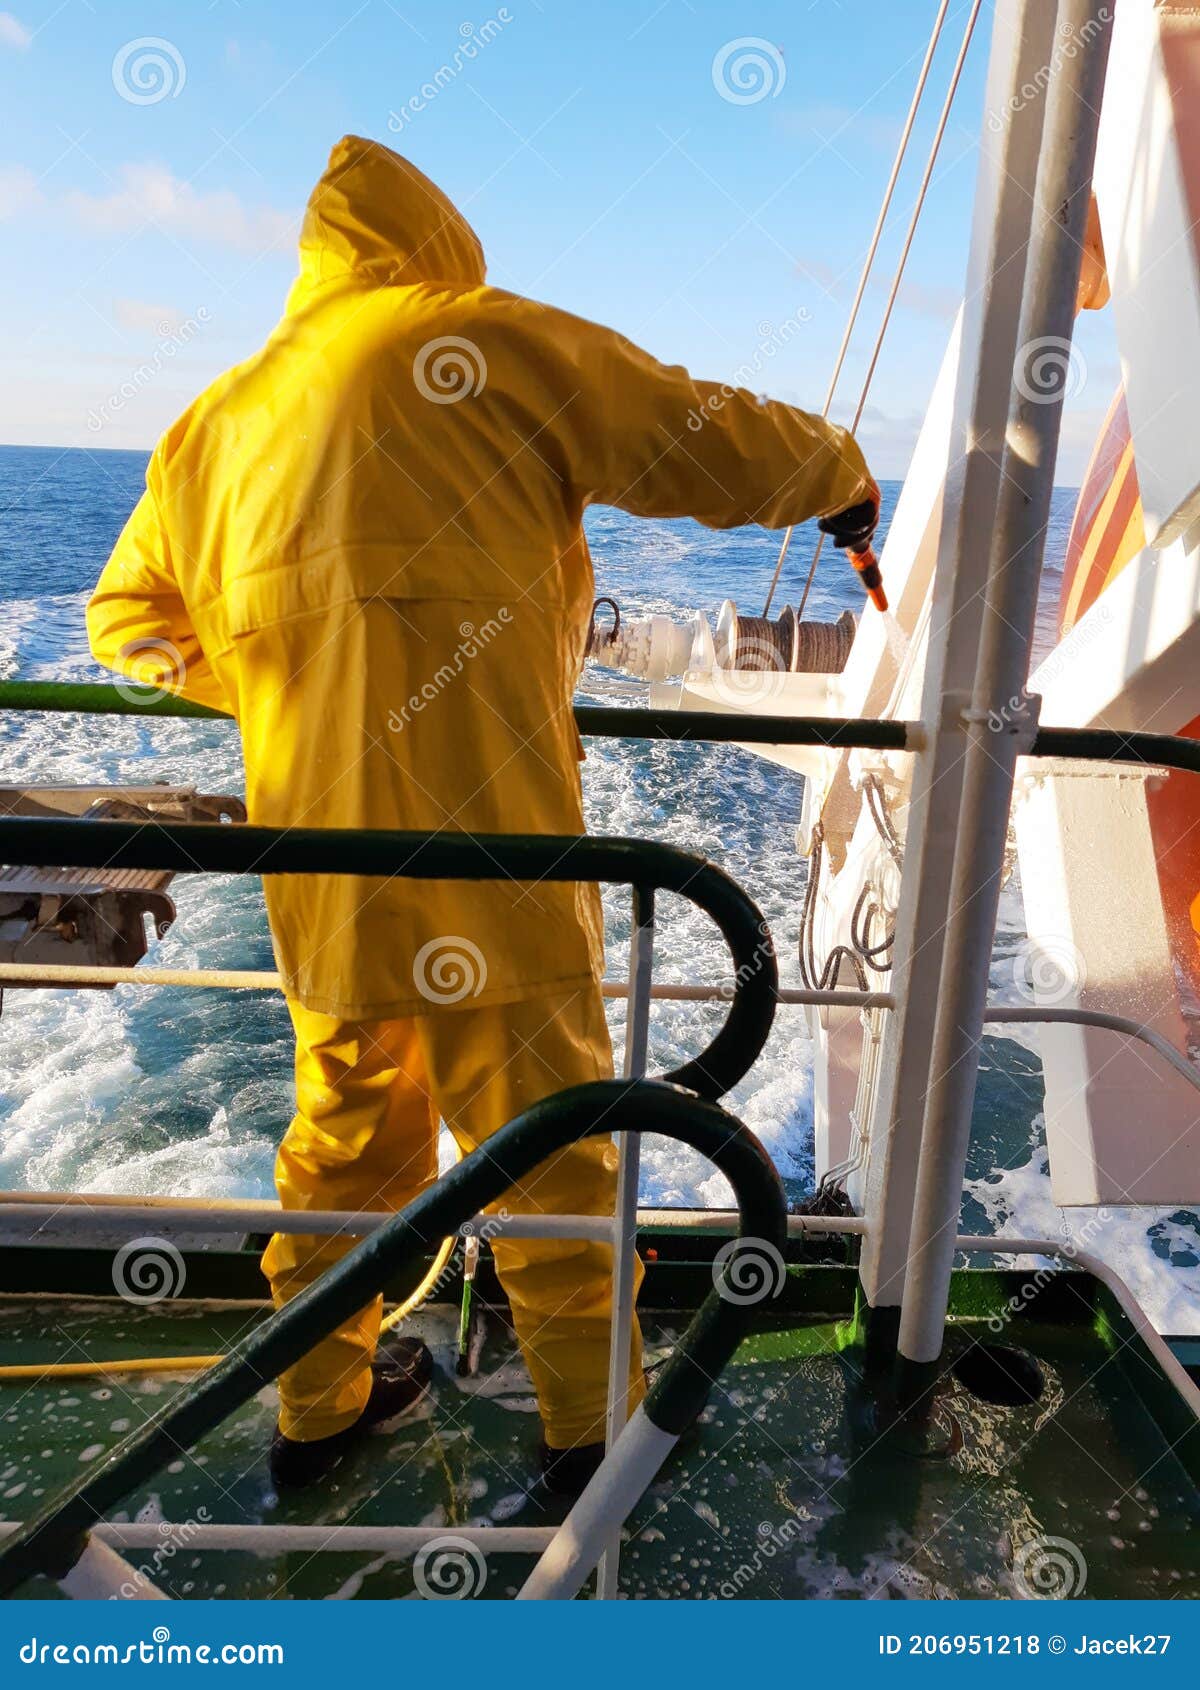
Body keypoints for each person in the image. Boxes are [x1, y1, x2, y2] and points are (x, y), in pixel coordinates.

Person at [87, 135, 878, 1493]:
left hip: (326, 875)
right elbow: (689, 432)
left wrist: (288, 681)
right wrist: (840, 476)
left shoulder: (212, 425)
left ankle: (318, 1411)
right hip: (491, 856)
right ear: (434, 245)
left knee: (344, 1157)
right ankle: (591, 1443)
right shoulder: (471, 341)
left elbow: (126, 624)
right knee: (551, 1163)